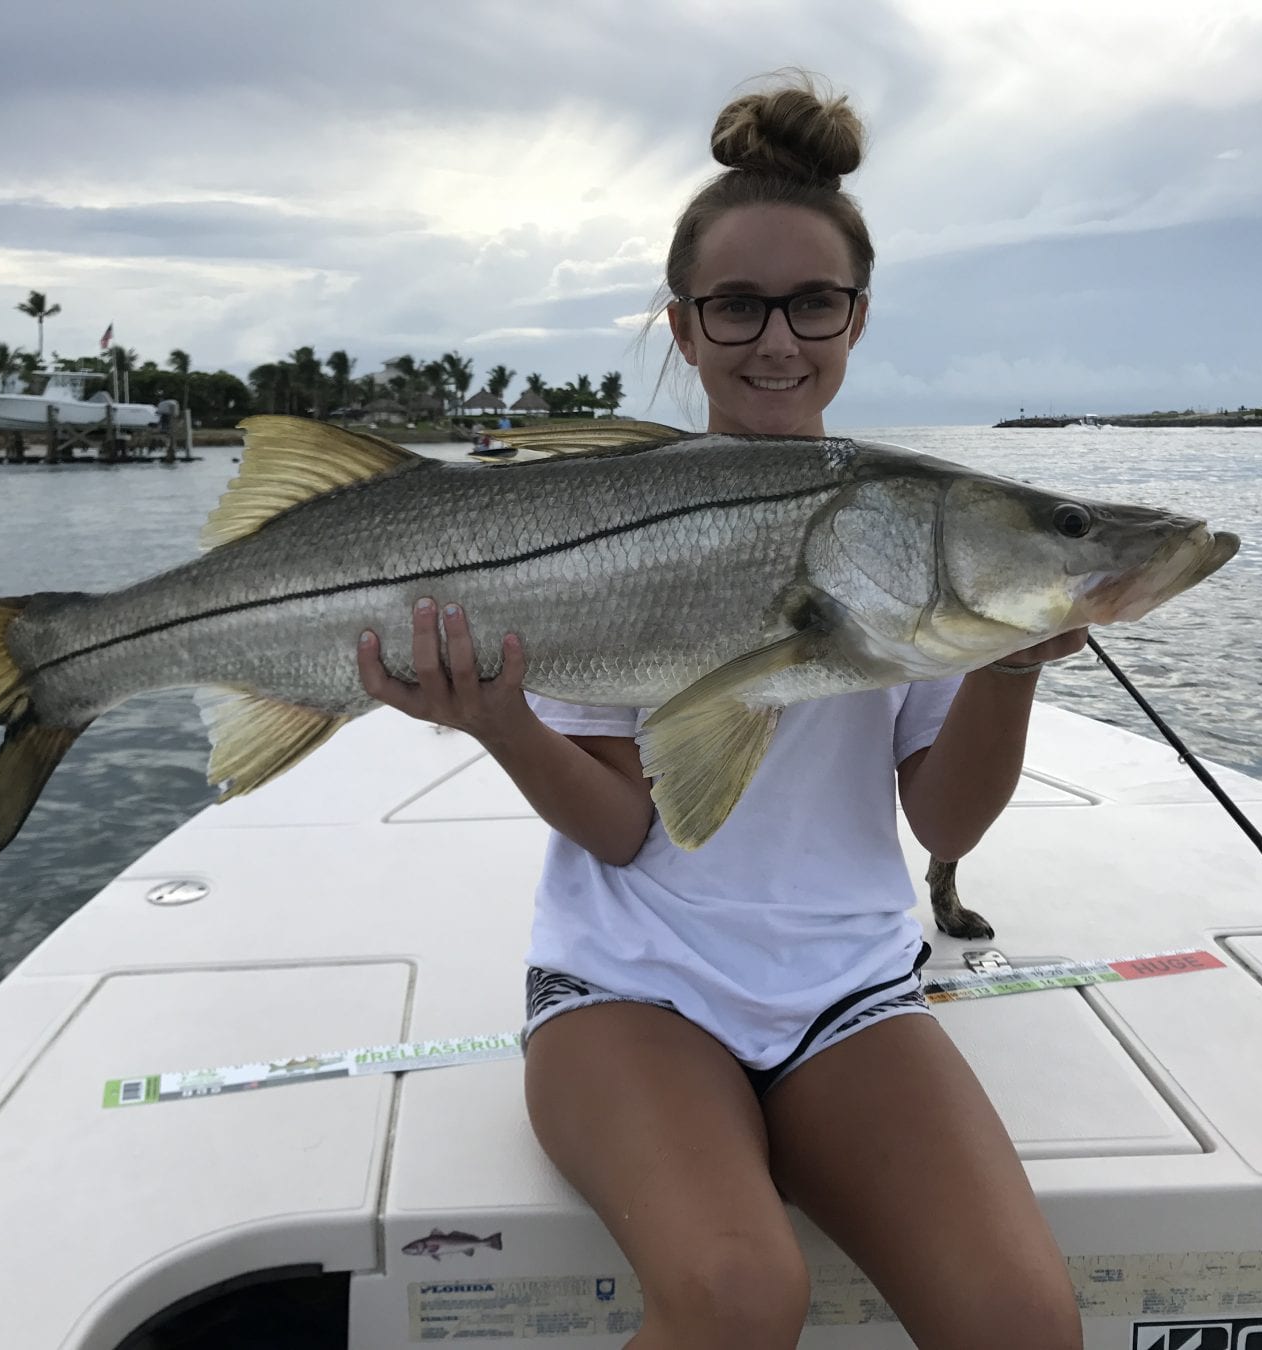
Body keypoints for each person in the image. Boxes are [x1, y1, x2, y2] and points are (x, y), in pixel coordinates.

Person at [357, 73, 1085, 1350]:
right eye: (736, 306)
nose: (776, 339)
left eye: (814, 302)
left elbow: (947, 818)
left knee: (1023, 1321)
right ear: (684, 328)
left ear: (857, 318)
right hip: (629, 991)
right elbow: (626, 831)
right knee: (741, 1296)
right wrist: (503, 723)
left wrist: (1014, 658)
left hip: (850, 989)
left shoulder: (910, 536)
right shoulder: (608, 522)